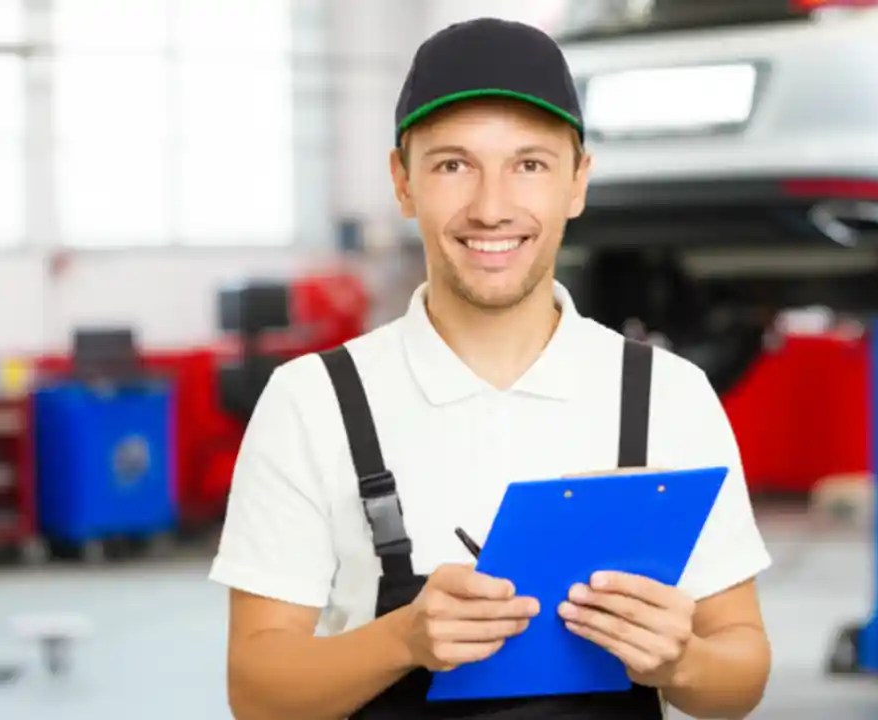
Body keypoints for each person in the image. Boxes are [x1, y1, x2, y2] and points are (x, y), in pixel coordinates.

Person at [209, 16, 773, 720]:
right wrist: (403, 640)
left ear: (578, 182)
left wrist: (681, 661)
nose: (492, 207)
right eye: (453, 164)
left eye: (529, 164)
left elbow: (742, 672)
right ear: (403, 182)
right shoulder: (313, 401)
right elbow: (257, 693)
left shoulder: (665, 395)